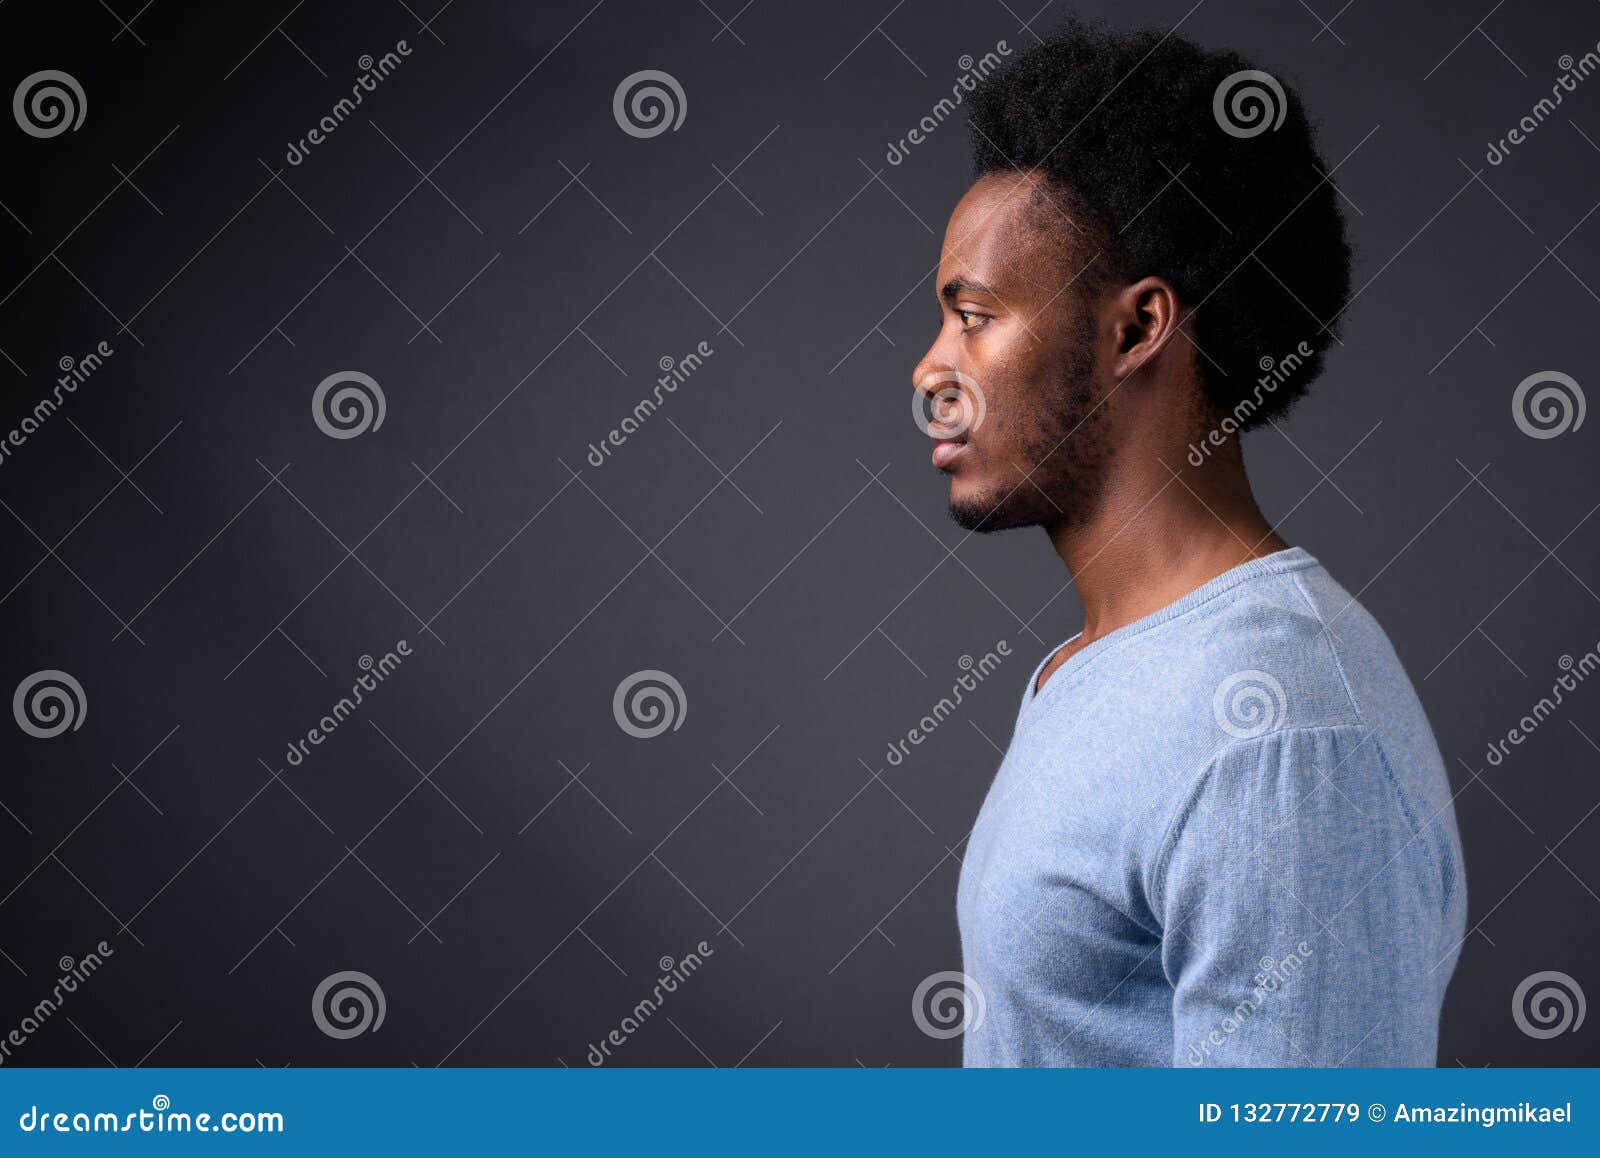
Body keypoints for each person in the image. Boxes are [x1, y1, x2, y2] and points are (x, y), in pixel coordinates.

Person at [916, 19, 1466, 1066]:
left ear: (1135, 329)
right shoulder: (1091, 668)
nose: (929, 369)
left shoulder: (1278, 733)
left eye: (974, 315)